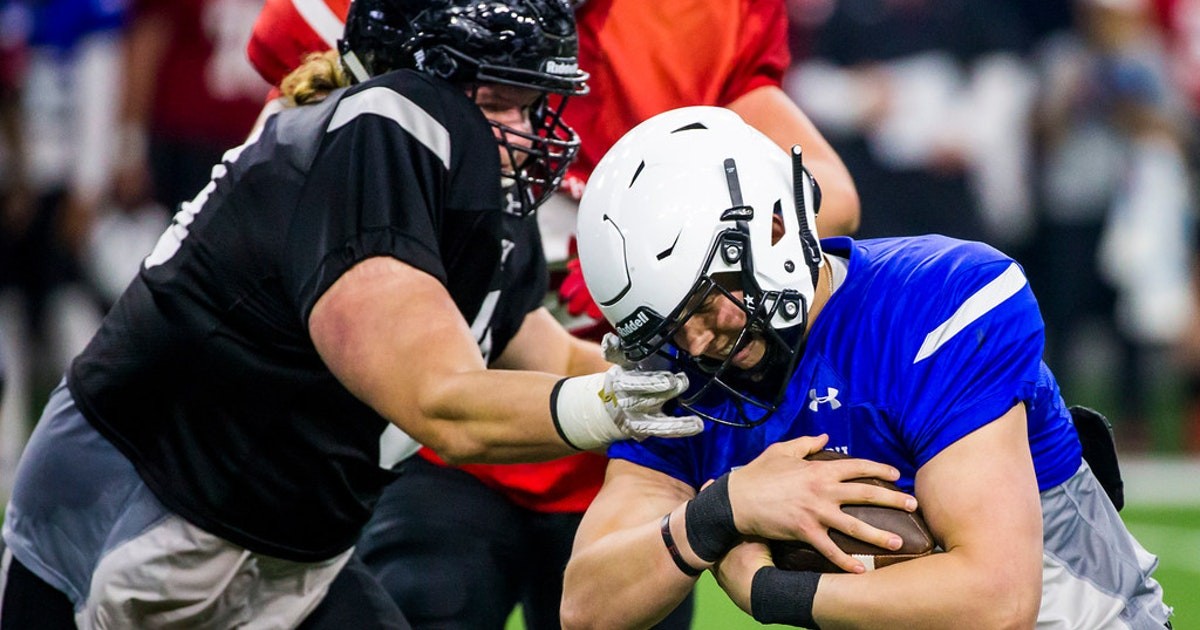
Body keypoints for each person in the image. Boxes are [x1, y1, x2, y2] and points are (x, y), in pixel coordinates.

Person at [0, 1, 704, 627]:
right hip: (139, 523)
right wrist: (618, 408)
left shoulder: (476, 209)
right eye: (495, 103)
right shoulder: (362, 146)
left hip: (292, 562)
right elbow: (445, 404)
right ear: (411, 83)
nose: (520, 134)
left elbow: (546, 358)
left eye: (527, 106)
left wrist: (701, 381)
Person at [243, 1, 864, 628]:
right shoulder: (402, 19)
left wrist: (659, 271)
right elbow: (299, 123)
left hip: (624, 447)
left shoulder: (697, 18)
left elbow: (821, 194)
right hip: (449, 438)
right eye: (496, 100)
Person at [561, 106, 1172, 629]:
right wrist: (720, 512)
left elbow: (999, 600)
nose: (694, 344)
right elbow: (587, 606)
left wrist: (767, 591)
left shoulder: (936, 300)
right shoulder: (683, 374)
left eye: (702, 304)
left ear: (773, 230)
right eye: (669, 325)